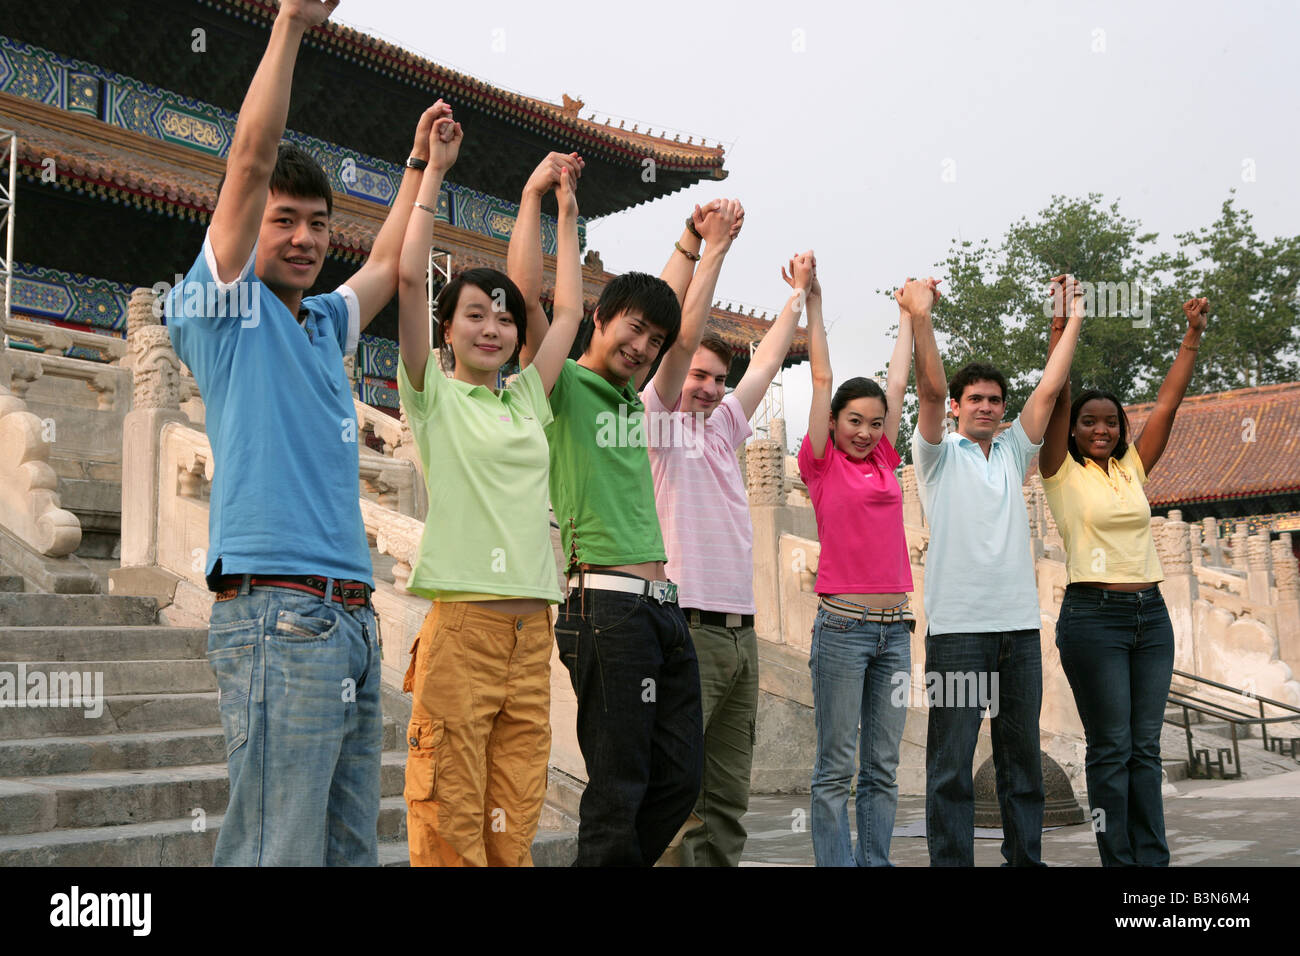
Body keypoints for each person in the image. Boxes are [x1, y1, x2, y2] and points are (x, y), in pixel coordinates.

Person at [165, 0, 439, 865]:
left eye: (320, 223)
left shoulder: (323, 322)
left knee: (347, 849)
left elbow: (392, 265)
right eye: (285, 220)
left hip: (350, 618)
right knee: (274, 850)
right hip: (277, 611)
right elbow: (248, 163)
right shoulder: (220, 309)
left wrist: (417, 169)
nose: (305, 238)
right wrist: (290, 22)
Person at [521, 195, 741, 865]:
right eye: (632, 331)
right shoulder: (560, 386)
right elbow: (532, 299)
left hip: (662, 609)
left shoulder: (633, 404)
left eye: (652, 341)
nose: (642, 347)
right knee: (620, 786)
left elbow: (680, 322)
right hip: (605, 608)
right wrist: (547, 207)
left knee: (679, 779)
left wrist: (703, 243)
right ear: (598, 317)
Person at [395, 124, 586, 865]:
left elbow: (564, 312)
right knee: (449, 821)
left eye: (505, 317)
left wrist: (558, 206)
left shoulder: (526, 402)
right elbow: (410, 280)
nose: (495, 326)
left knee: (513, 824)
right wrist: (432, 171)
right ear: (447, 331)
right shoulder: (432, 396)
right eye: (475, 313)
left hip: (530, 635)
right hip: (463, 632)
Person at [910, 273, 1084, 866]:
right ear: (960, 407)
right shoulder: (936, 455)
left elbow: (1052, 385)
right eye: (975, 400)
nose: (985, 408)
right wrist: (921, 316)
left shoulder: (1013, 453)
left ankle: (1025, 860)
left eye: (994, 401)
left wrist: (1074, 316)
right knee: (952, 765)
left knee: (1021, 760)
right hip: (957, 633)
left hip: (1018, 632)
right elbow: (928, 391)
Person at [648, 248, 811, 867]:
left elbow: (768, 361)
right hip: (688, 625)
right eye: (699, 375)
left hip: (743, 633)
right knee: (680, 793)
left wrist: (797, 296)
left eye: (719, 379)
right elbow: (681, 334)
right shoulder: (656, 426)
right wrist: (708, 246)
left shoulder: (723, 429)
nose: (712, 389)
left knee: (729, 797)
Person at [1041, 283, 1210, 866]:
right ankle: (1118, 860)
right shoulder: (1059, 469)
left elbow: (1167, 403)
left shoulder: (1131, 469)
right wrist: (1062, 321)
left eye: (1111, 422)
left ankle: (1152, 861)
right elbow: (1055, 391)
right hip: (1094, 619)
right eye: (1090, 422)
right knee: (1110, 748)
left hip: (1151, 618)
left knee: (1145, 748)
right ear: (1074, 428)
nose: (1101, 429)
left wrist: (1191, 336)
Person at [798, 272, 921, 866]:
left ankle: (877, 862)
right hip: (843, 631)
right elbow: (822, 376)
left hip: (897, 631)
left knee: (883, 767)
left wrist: (908, 317)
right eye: (854, 422)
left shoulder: (885, 459)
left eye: (875, 424)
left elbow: (897, 382)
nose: (867, 433)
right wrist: (814, 299)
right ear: (832, 423)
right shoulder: (821, 465)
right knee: (836, 767)